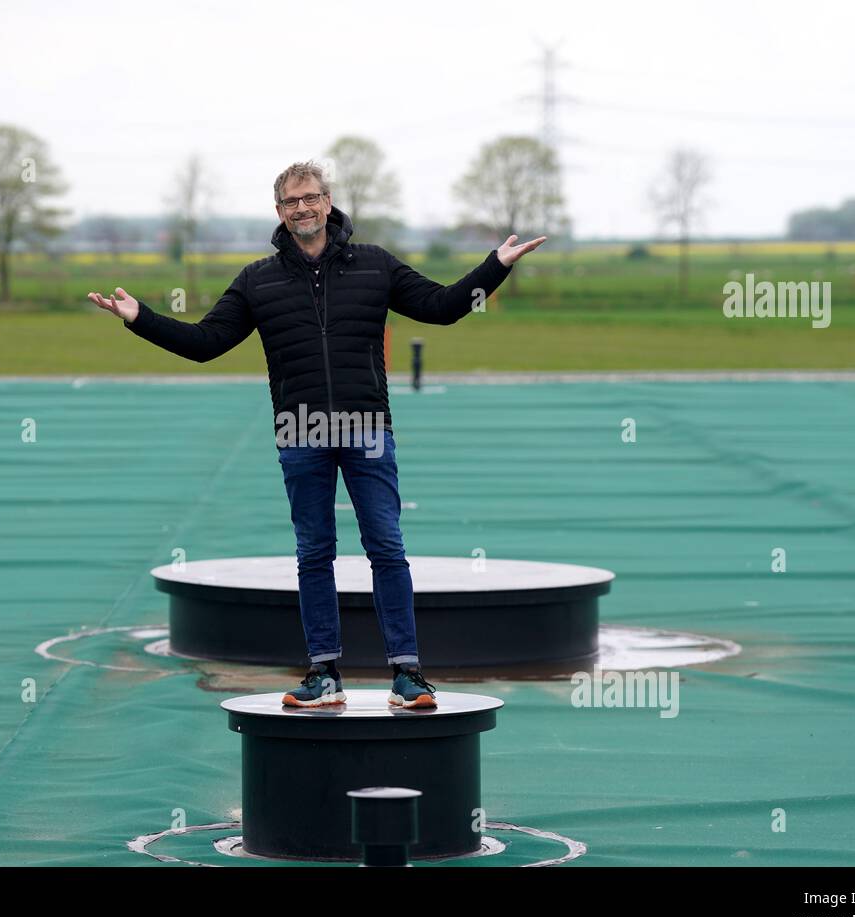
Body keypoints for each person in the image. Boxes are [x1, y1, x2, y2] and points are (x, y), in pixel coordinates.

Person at [88, 160, 545, 708]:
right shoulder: (258, 279)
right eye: (290, 202)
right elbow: (206, 342)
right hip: (300, 431)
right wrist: (142, 318)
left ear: (328, 202)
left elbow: (442, 307)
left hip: (366, 427)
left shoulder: (375, 265)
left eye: (310, 198)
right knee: (313, 554)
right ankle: (324, 674)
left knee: (388, 549)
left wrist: (495, 265)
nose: (302, 208)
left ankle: (408, 674)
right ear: (279, 212)